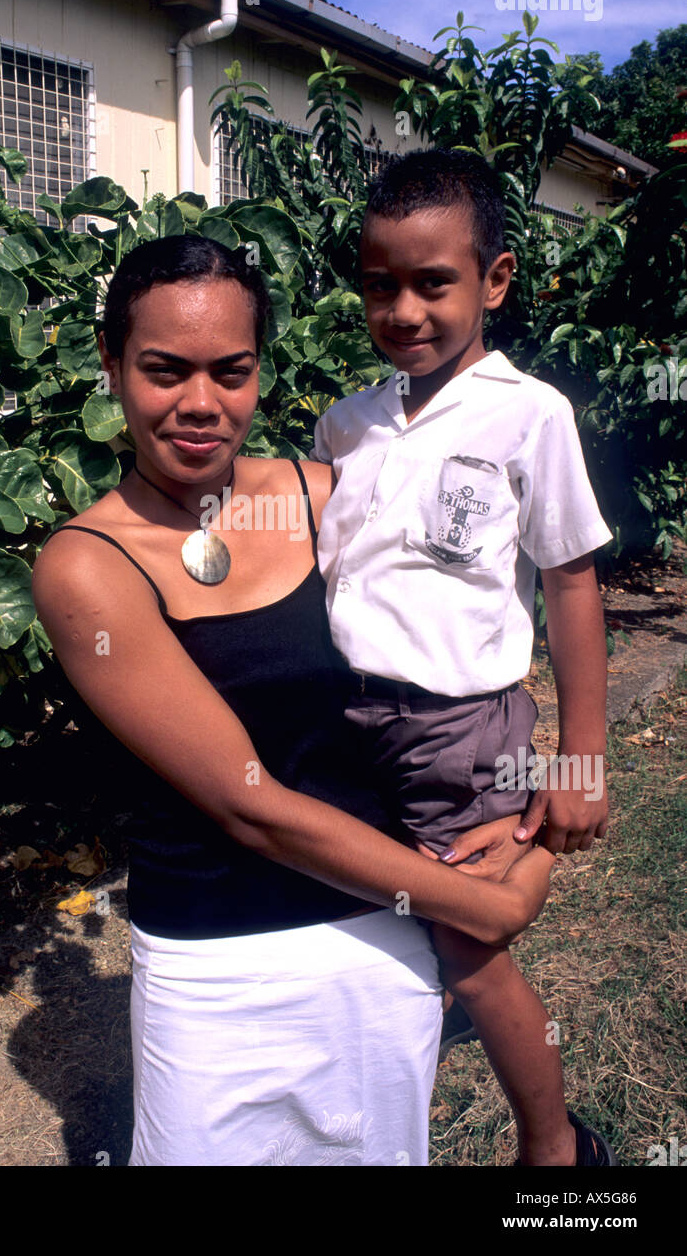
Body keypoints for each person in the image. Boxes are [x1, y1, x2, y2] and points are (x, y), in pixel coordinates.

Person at [31, 233, 554, 1167]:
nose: (201, 404)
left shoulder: (328, 495)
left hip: (378, 947)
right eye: (163, 370)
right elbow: (251, 805)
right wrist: (485, 907)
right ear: (112, 365)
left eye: (230, 372)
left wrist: (530, 814)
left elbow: (476, 625)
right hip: (217, 972)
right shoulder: (87, 566)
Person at [311, 148, 617, 1166]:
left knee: (470, 949)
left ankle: (551, 1148)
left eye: (431, 281)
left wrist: (578, 764)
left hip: (459, 732)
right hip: (347, 716)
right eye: (378, 284)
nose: (402, 309)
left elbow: (570, 582)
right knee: (361, 926)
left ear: (492, 279)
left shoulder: (528, 415)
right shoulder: (345, 425)